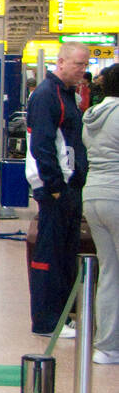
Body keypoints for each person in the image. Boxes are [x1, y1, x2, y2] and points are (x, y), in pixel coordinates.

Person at [26, 41, 90, 336]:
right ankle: (47, 321)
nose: (83, 70)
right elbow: (42, 145)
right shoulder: (47, 96)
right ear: (61, 62)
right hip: (54, 188)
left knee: (65, 256)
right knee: (50, 256)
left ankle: (62, 316)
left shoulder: (68, 96)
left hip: (68, 186)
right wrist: (54, 188)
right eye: (79, 64)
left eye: (85, 65)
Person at [83, 65, 119, 363]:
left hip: (93, 194)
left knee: (109, 272)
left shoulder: (91, 117)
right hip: (117, 196)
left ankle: (106, 347)